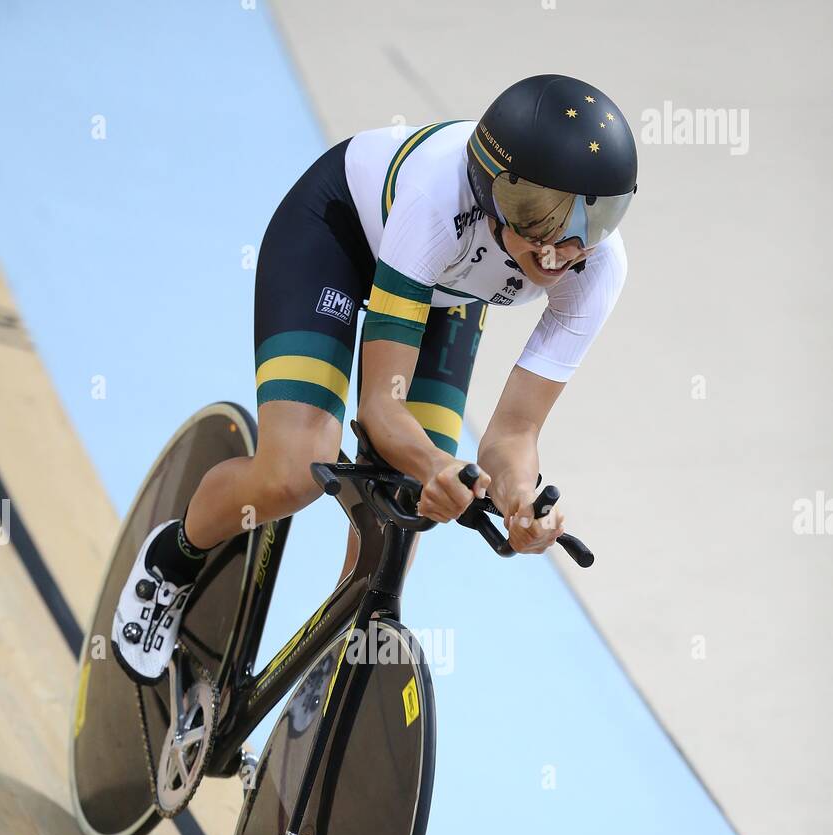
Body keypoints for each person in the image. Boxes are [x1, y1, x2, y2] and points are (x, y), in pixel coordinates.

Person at [113, 73, 637, 683]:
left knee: (407, 518)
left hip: (447, 290)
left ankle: (330, 682)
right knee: (294, 471)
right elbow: (381, 411)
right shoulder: (436, 201)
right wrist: (435, 467)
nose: (561, 251)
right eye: (538, 219)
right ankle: (172, 560)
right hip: (337, 239)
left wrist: (521, 502)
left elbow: (515, 434)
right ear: (491, 189)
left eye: (592, 223)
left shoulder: (597, 269)